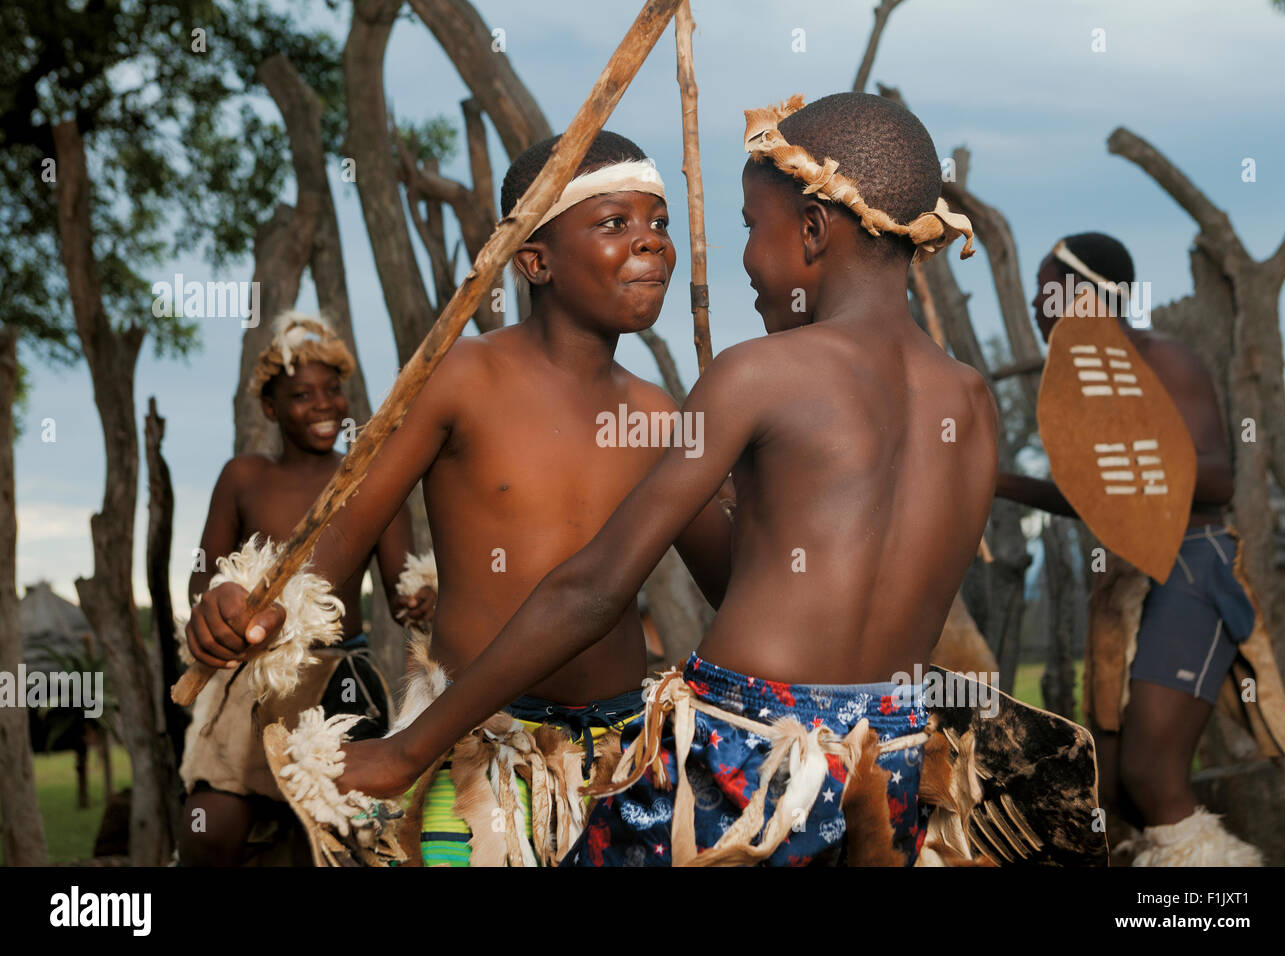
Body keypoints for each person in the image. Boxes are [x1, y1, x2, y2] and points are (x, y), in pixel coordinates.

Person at [329, 92, 1000, 867]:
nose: (739, 257)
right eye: (617, 224)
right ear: (535, 260)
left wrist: (409, 750)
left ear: (813, 231)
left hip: (742, 763)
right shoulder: (973, 403)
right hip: (884, 766)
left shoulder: (755, 375)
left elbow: (595, 592)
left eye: (750, 228)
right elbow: (800, 580)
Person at [186, 131, 733, 867]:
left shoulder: (661, 416)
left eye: (660, 223)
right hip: (469, 750)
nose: (651, 244)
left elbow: (734, 583)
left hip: (617, 758)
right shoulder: (461, 378)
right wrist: (258, 602)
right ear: (535, 260)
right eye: (614, 223)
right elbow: (341, 538)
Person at [998, 232, 1285, 865]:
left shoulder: (1163, 359)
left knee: (1153, 775)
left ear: (1086, 293)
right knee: (1109, 785)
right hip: (1130, 579)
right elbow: (1098, 497)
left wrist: (1136, 457)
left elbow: (1217, 477)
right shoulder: (1079, 381)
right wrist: (995, 482)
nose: (1035, 306)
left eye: (1046, 290)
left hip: (1192, 565)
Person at [179, 312, 434, 866]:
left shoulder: (371, 477)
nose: (323, 404)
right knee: (208, 830)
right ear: (271, 408)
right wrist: (220, 615)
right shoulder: (243, 477)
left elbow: (400, 593)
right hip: (254, 678)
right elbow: (204, 580)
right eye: (301, 395)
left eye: (333, 389)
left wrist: (422, 598)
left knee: (330, 835)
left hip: (340, 682)